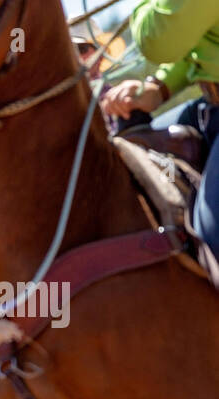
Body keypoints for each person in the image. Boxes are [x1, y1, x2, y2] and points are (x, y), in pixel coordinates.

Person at [103, 2, 219, 262]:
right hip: (211, 105)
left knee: (212, 237)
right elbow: (202, 35)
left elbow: (157, 39)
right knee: (133, 148)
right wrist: (159, 88)